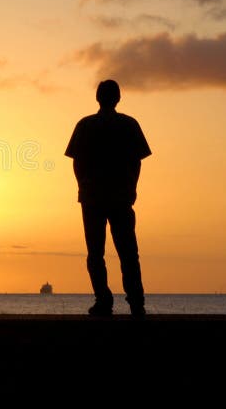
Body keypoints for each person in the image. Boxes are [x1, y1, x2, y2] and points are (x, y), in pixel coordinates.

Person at [65, 80, 151, 317]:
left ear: (98, 98)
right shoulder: (128, 125)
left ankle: (104, 300)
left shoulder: (85, 125)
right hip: (118, 196)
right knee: (128, 252)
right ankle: (135, 302)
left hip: (94, 197)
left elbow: (77, 163)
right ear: (118, 98)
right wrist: (132, 187)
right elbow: (136, 162)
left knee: (96, 253)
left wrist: (83, 185)